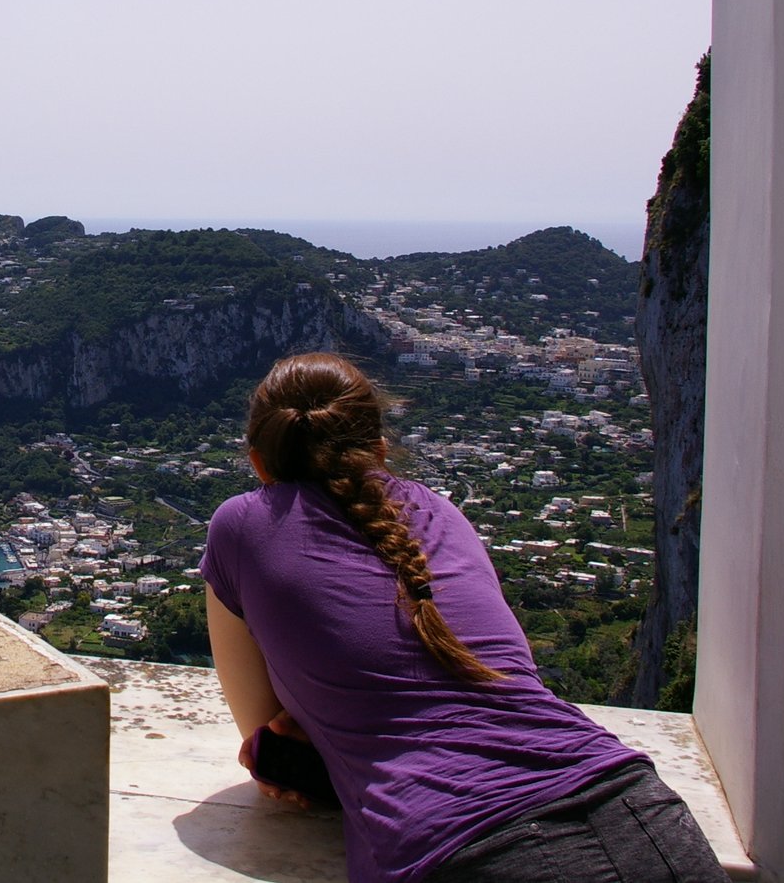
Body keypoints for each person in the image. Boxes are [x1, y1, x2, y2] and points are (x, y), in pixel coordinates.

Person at [202, 352, 728, 883]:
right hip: (641, 810)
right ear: (380, 452)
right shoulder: (439, 509)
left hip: (464, 848)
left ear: (259, 464)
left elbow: (273, 739)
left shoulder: (240, 525)